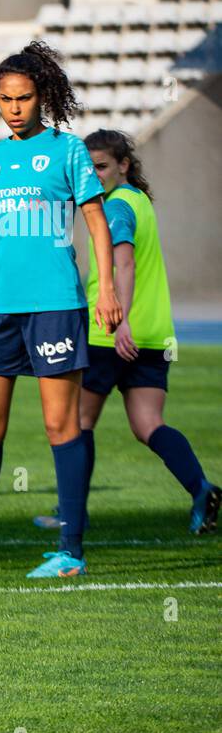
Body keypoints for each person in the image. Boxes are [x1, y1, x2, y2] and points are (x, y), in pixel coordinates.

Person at [0, 42, 123, 577]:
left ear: (43, 97)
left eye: (24, 97)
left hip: (56, 306)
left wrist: (106, 292)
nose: (14, 107)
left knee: (62, 427)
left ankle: (71, 552)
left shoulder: (69, 152)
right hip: (0, 308)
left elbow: (98, 226)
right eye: (5, 98)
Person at [33, 129, 218, 535]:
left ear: (123, 166)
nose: (95, 174)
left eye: (101, 166)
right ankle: (201, 488)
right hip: (154, 334)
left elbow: (125, 265)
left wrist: (122, 321)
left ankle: (71, 515)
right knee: (149, 424)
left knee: (77, 423)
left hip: (111, 333)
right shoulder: (139, 202)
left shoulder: (116, 208)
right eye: (89, 167)